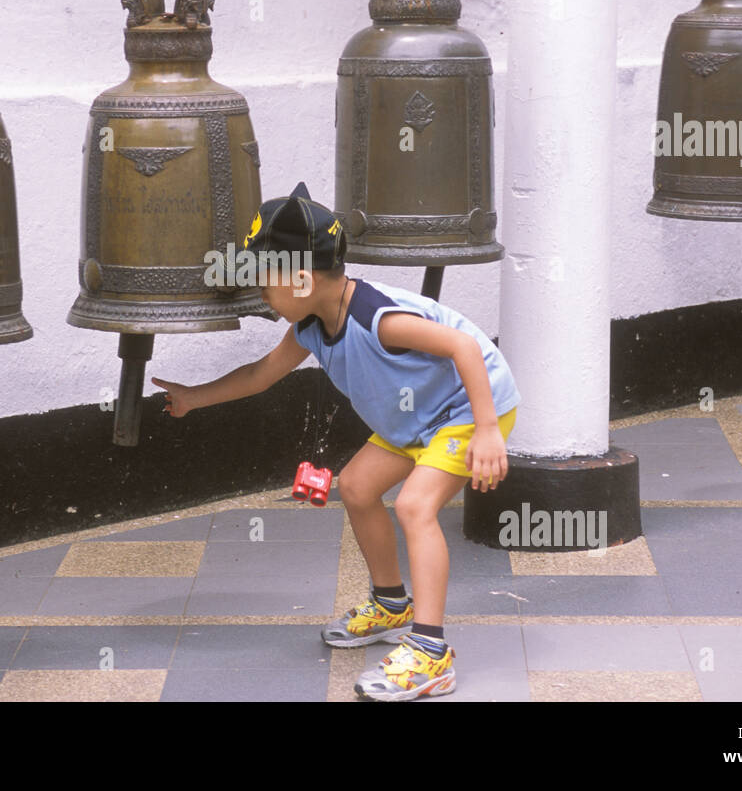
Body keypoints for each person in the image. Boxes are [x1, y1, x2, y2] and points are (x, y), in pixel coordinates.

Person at [151, 182, 520, 701]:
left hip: (465, 410)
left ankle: (431, 655)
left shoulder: (380, 319)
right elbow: (260, 374)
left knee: (415, 507)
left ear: (302, 278)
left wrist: (486, 431)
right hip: (411, 420)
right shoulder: (308, 324)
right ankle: (392, 606)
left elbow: (463, 346)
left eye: (265, 280)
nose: (260, 291)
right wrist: (194, 397)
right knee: (357, 487)